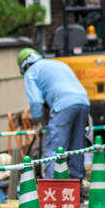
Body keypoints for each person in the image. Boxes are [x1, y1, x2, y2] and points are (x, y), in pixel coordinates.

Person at [19, 48, 92, 179]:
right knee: (77, 146)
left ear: (26, 65)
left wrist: (36, 119)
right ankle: (77, 183)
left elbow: (35, 102)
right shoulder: (57, 63)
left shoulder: (31, 72)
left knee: (54, 147)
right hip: (83, 101)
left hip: (63, 105)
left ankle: (52, 186)